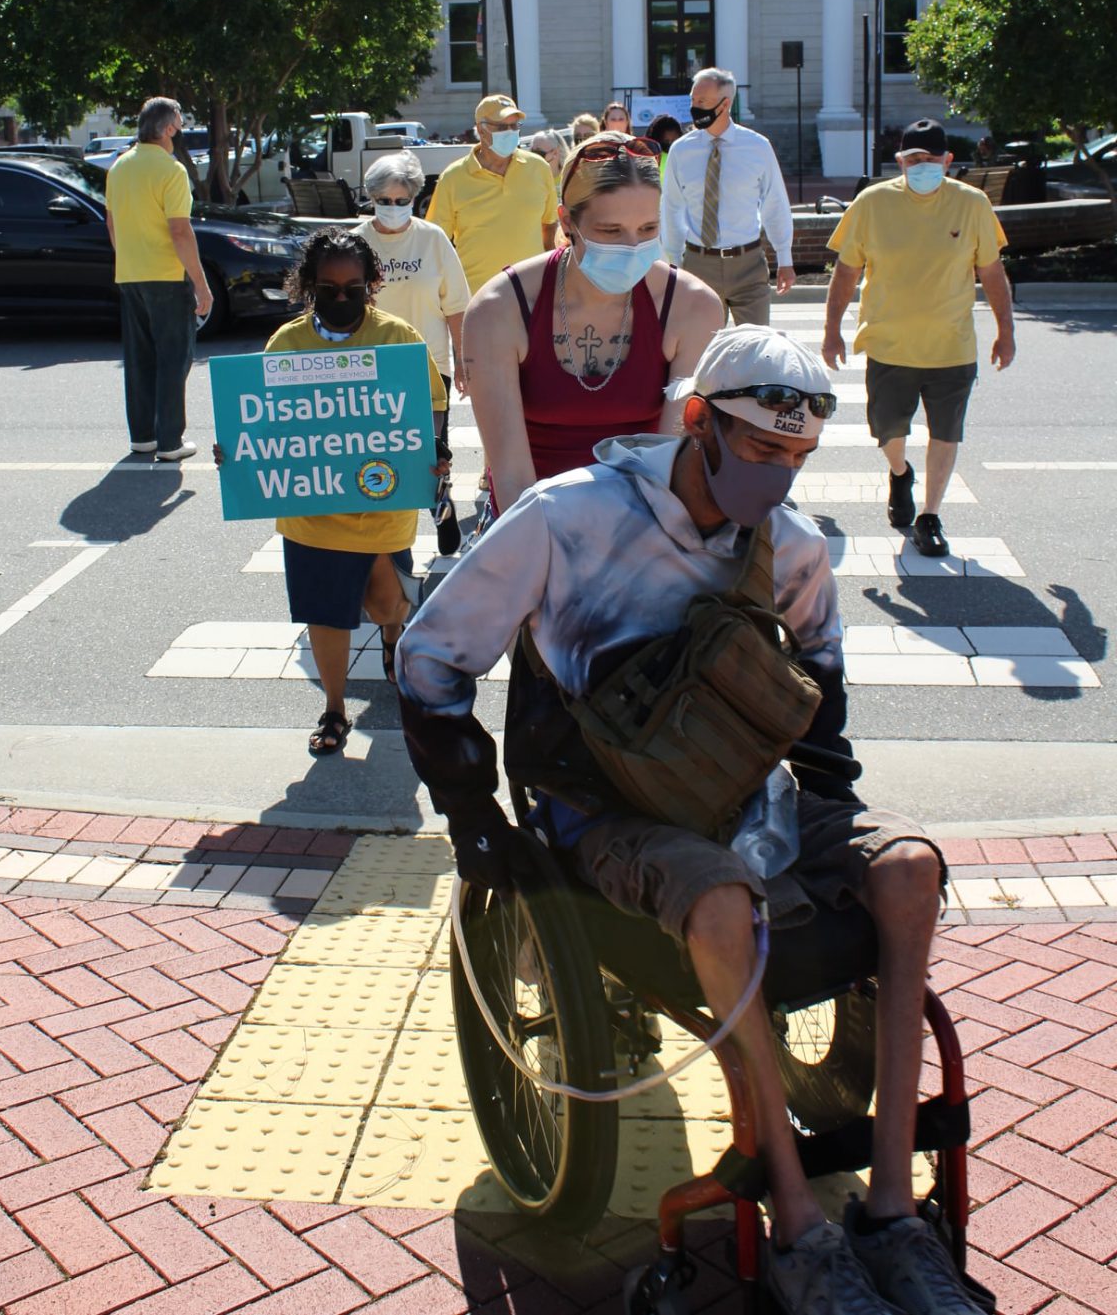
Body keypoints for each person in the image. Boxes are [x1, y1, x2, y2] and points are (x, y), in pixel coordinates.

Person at [397, 325, 978, 1315]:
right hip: (602, 805)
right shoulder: (568, 518)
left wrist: (830, 835)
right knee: (720, 901)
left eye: (796, 457)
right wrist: (473, 812)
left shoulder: (789, 543)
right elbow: (429, 655)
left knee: (912, 865)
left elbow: (821, 700)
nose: (778, 475)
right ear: (701, 422)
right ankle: (798, 1222)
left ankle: (890, 1205)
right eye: (760, 449)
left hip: (750, 785)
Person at [243, 230, 448, 756]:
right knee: (327, 614)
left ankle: (391, 641)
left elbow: (431, 404)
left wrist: (436, 448)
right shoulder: (287, 345)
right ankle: (334, 708)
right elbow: (260, 421)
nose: (341, 298)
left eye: (352, 287)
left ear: (372, 284)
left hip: (383, 506)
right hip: (313, 513)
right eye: (328, 288)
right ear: (309, 285)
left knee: (386, 603)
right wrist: (240, 452)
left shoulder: (397, 337)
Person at [463, 133, 724, 515]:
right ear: (567, 221)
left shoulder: (693, 307)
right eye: (611, 232)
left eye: (648, 229)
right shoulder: (499, 308)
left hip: (646, 522)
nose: (634, 247)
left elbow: (672, 462)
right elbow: (511, 476)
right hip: (534, 525)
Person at [822, 118, 1015, 559]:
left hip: (952, 345)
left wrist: (1006, 331)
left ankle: (930, 515)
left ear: (947, 161)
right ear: (900, 162)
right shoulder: (872, 203)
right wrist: (832, 331)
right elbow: (847, 270)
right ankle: (899, 471)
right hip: (889, 344)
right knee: (887, 429)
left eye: (931, 160)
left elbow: (991, 271)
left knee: (947, 432)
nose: (922, 167)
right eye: (913, 160)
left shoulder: (972, 204)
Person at [354, 149, 471, 552]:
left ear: (415, 198)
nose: (392, 208)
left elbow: (456, 306)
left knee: (428, 454)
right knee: (374, 457)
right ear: (371, 199)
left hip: (428, 365)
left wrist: (464, 362)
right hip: (369, 369)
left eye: (401, 200)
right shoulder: (355, 243)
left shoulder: (432, 239)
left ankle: (440, 504)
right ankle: (384, 538)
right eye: (383, 201)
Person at [105, 96, 213, 462]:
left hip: (130, 274)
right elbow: (180, 231)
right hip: (166, 275)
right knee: (174, 357)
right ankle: (170, 442)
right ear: (167, 129)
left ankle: (143, 437)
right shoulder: (171, 171)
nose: (180, 134)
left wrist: (128, 258)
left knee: (139, 358)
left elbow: (112, 222)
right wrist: (201, 284)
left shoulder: (119, 167)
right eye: (179, 127)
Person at [661, 67, 795, 326]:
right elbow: (672, 208)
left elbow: (775, 204)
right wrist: (675, 262)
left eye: (703, 102)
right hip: (699, 264)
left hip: (748, 264)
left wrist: (785, 259)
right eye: (693, 100)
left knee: (755, 350)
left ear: (725, 104)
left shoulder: (757, 147)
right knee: (703, 352)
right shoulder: (681, 151)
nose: (695, 107)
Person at [425, 94, 558, 297]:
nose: (510, 132)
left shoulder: (538, 168)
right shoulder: (453, 178)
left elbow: (549, 226)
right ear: (481, 129)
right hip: (476, 298)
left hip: (532, 295)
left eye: (514, 126)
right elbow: (436, 243)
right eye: (502, 127)